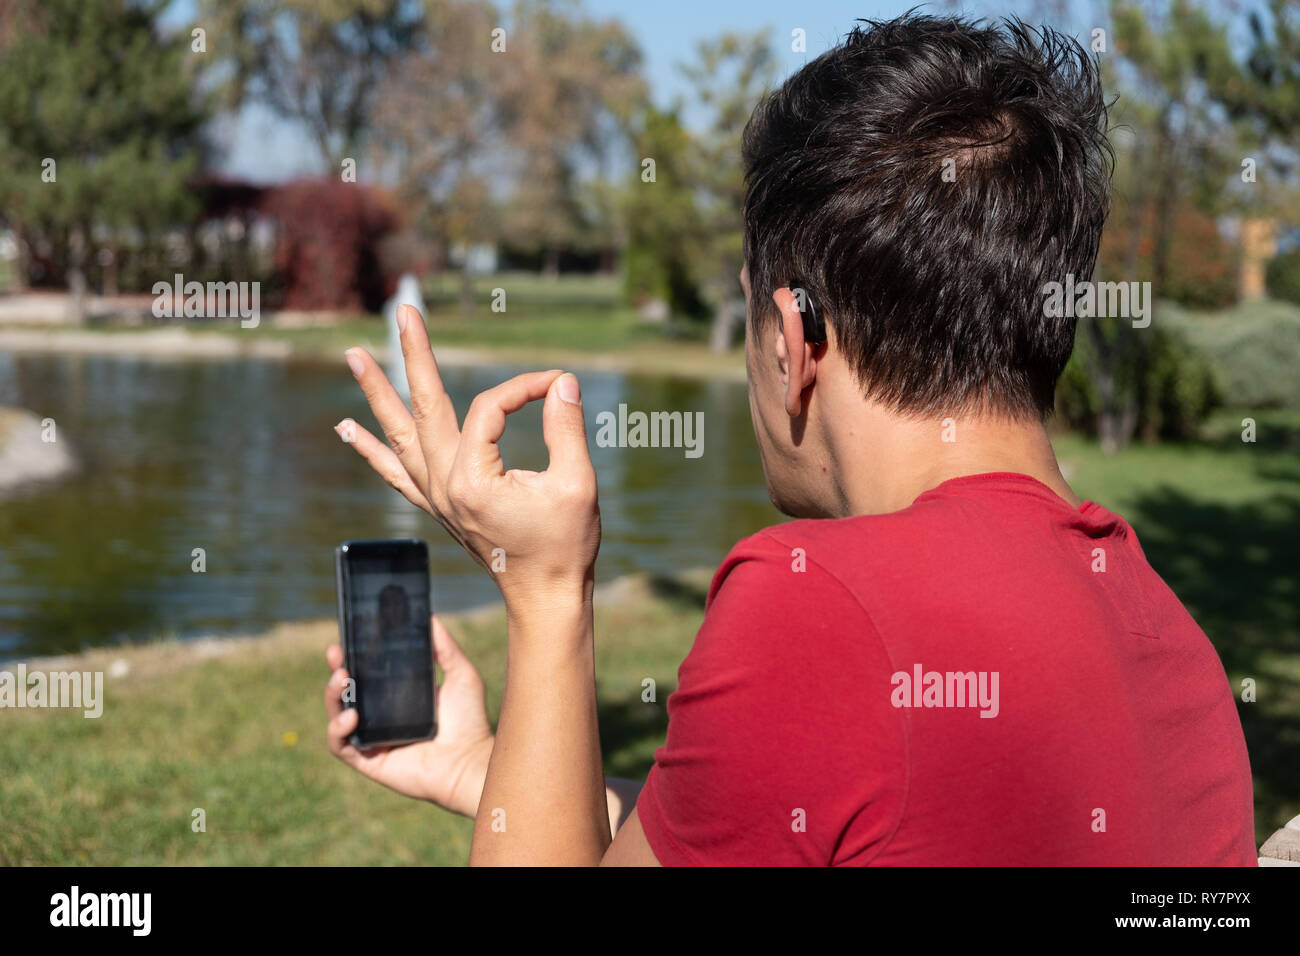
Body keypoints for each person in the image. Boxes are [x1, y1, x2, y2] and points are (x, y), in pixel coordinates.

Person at [323, 13, 1255, 866]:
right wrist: (485, 772)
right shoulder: (1169, 637)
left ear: (794, 342)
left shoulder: (820, 612)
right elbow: (785, 825)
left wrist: (546, 592)